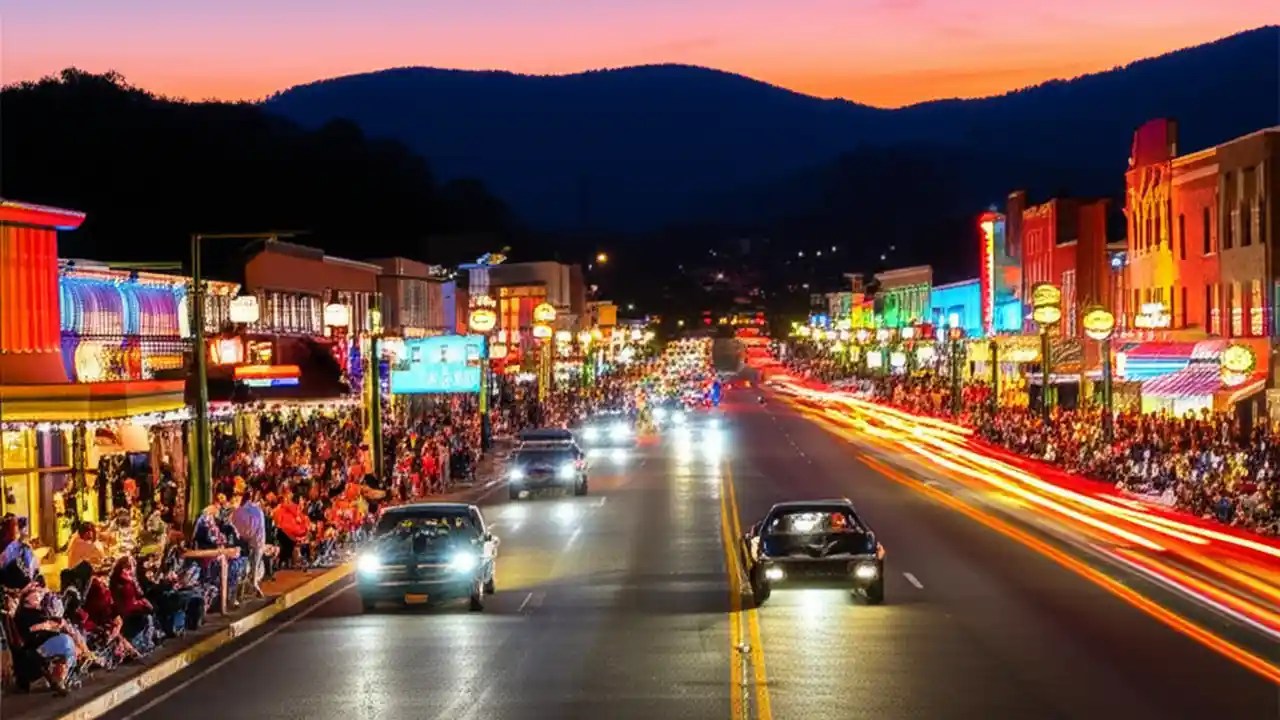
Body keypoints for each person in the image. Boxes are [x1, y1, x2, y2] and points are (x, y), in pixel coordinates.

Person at [231, 489, 267, 598]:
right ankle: (252, 585)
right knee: (252, 564)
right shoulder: (250, 510)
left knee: (252, 564)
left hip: (251, 540)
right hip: (254, 540)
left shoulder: (247, 510)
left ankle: (252, 584)